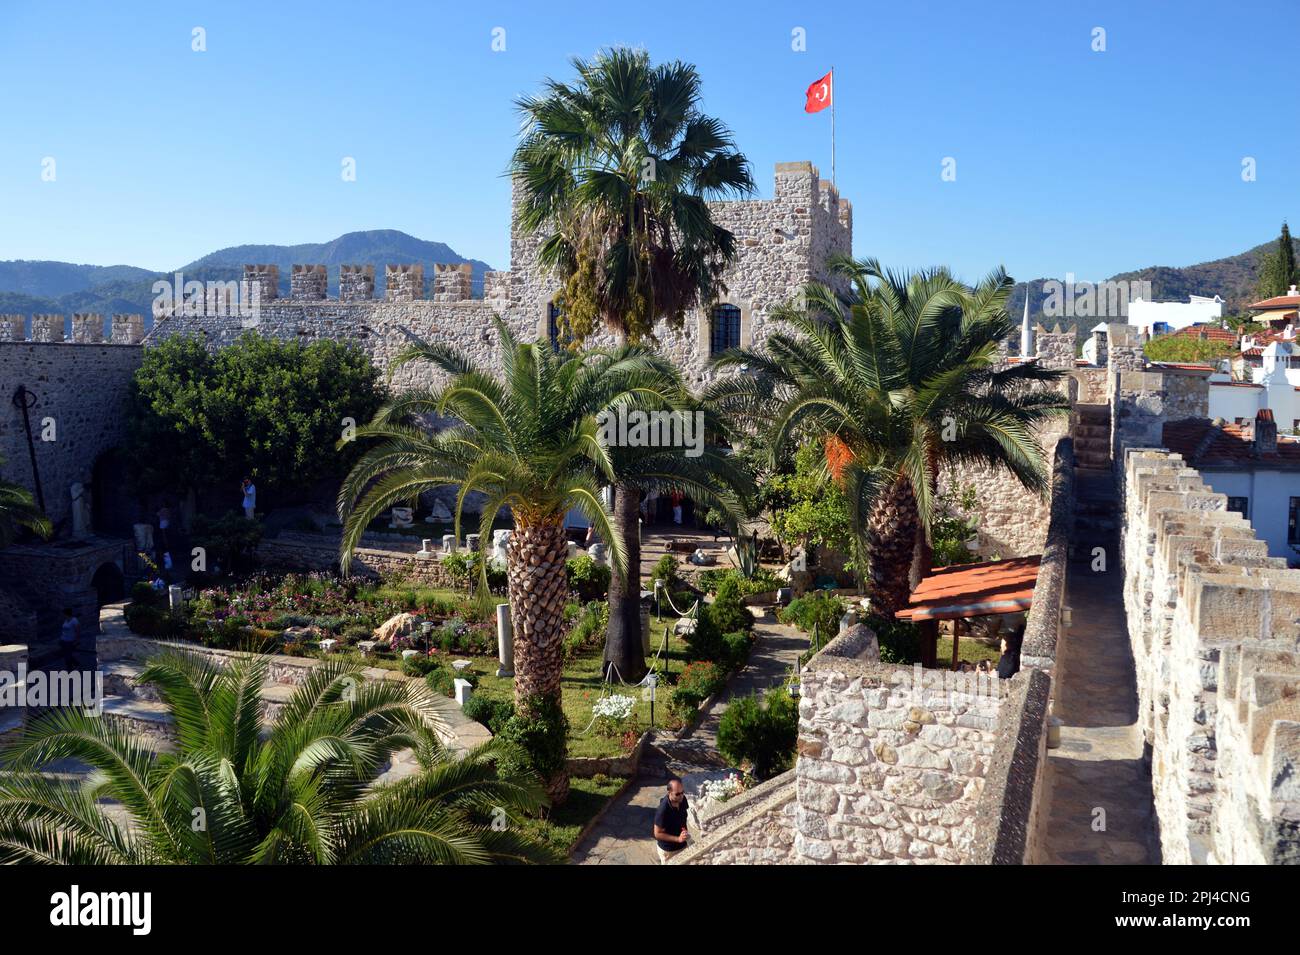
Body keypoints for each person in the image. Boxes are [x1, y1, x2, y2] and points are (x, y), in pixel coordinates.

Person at [653, 778, 690, 862]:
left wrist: (683, 831)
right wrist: (678, 839)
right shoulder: (663, 810)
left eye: (682, 792)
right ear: (669, 792)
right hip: (669, 850)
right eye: (677, 794)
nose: (681, 796)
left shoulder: (682, 799)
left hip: (682, 844)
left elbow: (682, 817)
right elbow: (657, 833)